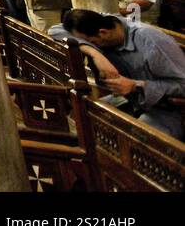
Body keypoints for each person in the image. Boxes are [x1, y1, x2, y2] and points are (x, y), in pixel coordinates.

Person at [54, 9, 185, 139]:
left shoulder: (152, 42)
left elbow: (182, 85)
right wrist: (95, 53)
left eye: (92, 42)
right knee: (80, 117)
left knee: (133, 140)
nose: (94, 46)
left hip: (168, 110)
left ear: (103, 33)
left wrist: (135, 85)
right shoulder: (107, 21)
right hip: (132, 100)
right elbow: (55, 30)